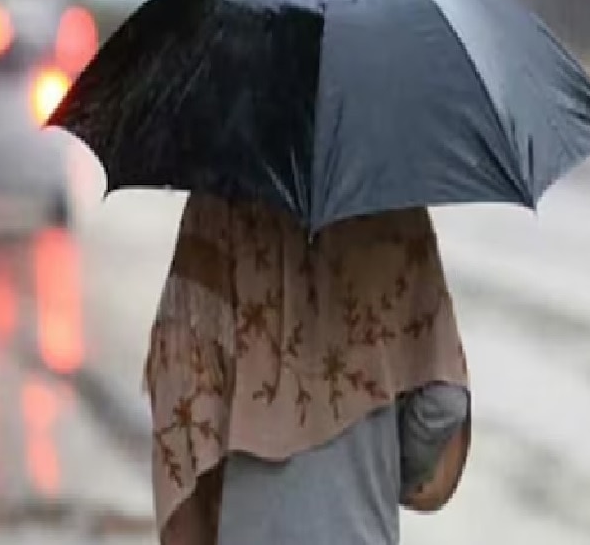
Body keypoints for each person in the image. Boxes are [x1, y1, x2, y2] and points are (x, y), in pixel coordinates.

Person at [144, 192, 471, 545]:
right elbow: (444, 401)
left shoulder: (220, 203)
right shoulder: (395, 213)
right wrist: (392, 470)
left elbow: (178, 381)